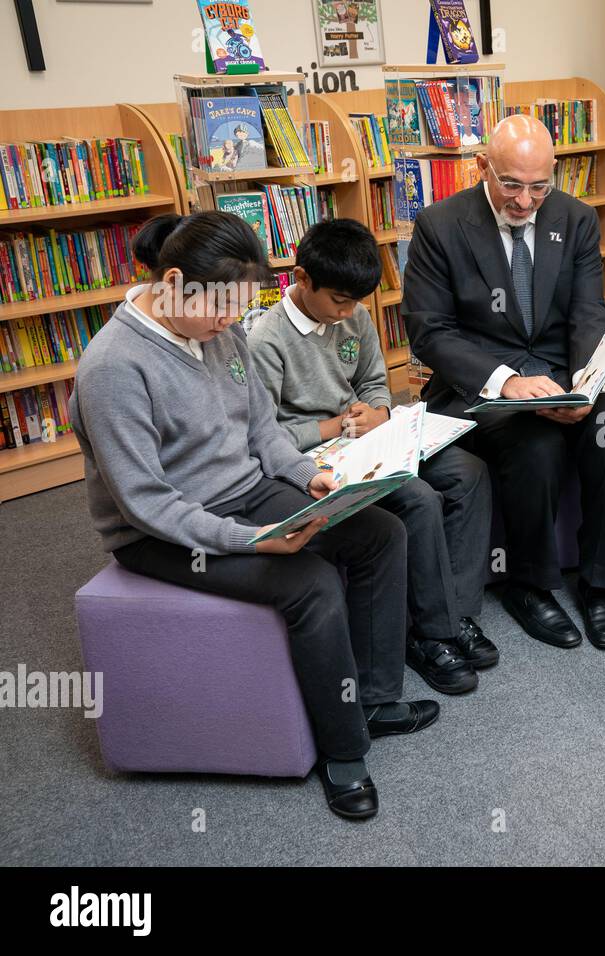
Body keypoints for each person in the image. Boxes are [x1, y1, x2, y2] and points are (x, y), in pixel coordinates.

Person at [69, 212, 438, 821]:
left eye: (239, 310)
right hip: (161, 532)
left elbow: (263, 434)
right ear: (174, 282)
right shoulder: (113, 369)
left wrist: (308, 476)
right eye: (221, 310)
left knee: (380, 532)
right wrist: (252, 542)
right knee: (310, 583)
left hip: (246, 489)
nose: (229, 325)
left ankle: (373, 698)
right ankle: (344, 752)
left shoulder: (221, 329)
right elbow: (146, 502)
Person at [403, 114, 605, 651]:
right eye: (511, 183)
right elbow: (429, 332)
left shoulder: (575, 218)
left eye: (539, 186)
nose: (526, 201)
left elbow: (588, 313)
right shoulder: (440, 225)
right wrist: (506, 382)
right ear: (483, 167)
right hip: (484, 386)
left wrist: (585, 382)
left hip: (563, 374)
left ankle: (600, 581)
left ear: (554, 173)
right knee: (535, 447)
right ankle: (530, 585)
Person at [249, 218, 494, 696]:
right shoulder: (267, 340)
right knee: (419, 497)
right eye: (339, 301)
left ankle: (457, 612)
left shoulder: (353, 316)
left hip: (367, 437)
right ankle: (431, 635)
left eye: (356, 302)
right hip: (312, 459)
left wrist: (379, 410)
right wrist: (334, 426)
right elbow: (266, 434)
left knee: (468, 472)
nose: (348, 313)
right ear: (301, 279)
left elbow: (374, 380)